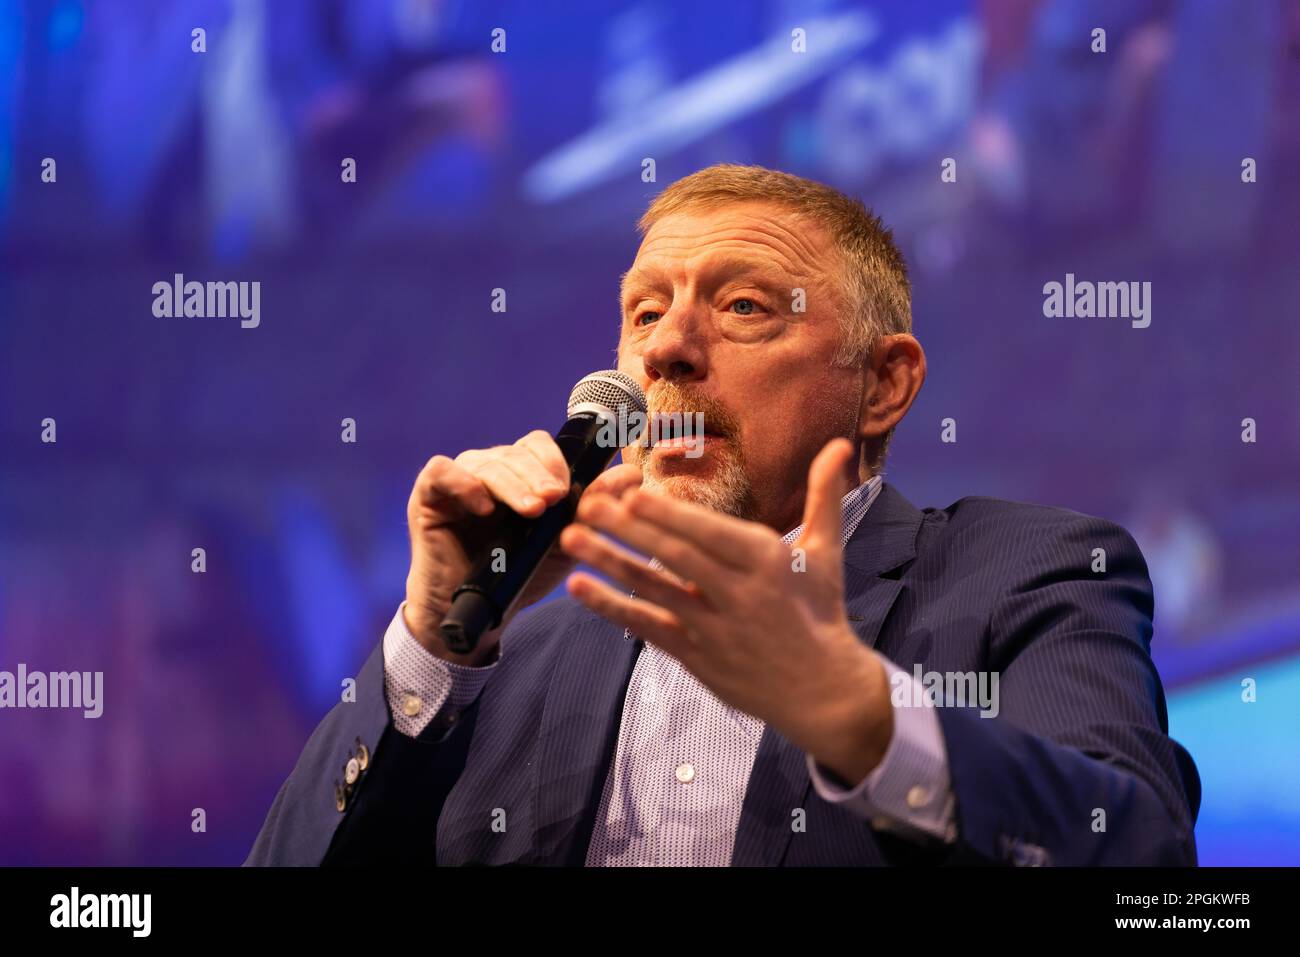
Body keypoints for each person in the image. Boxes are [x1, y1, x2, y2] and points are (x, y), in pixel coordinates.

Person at [247, 164, 1199, 866]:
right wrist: (433, 643)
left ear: (882, 384)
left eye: (743, 306)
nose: (666, 350)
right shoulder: (507, 667)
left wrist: (858, 717)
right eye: (644, 312)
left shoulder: (1027, 573)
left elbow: (1146, 865)